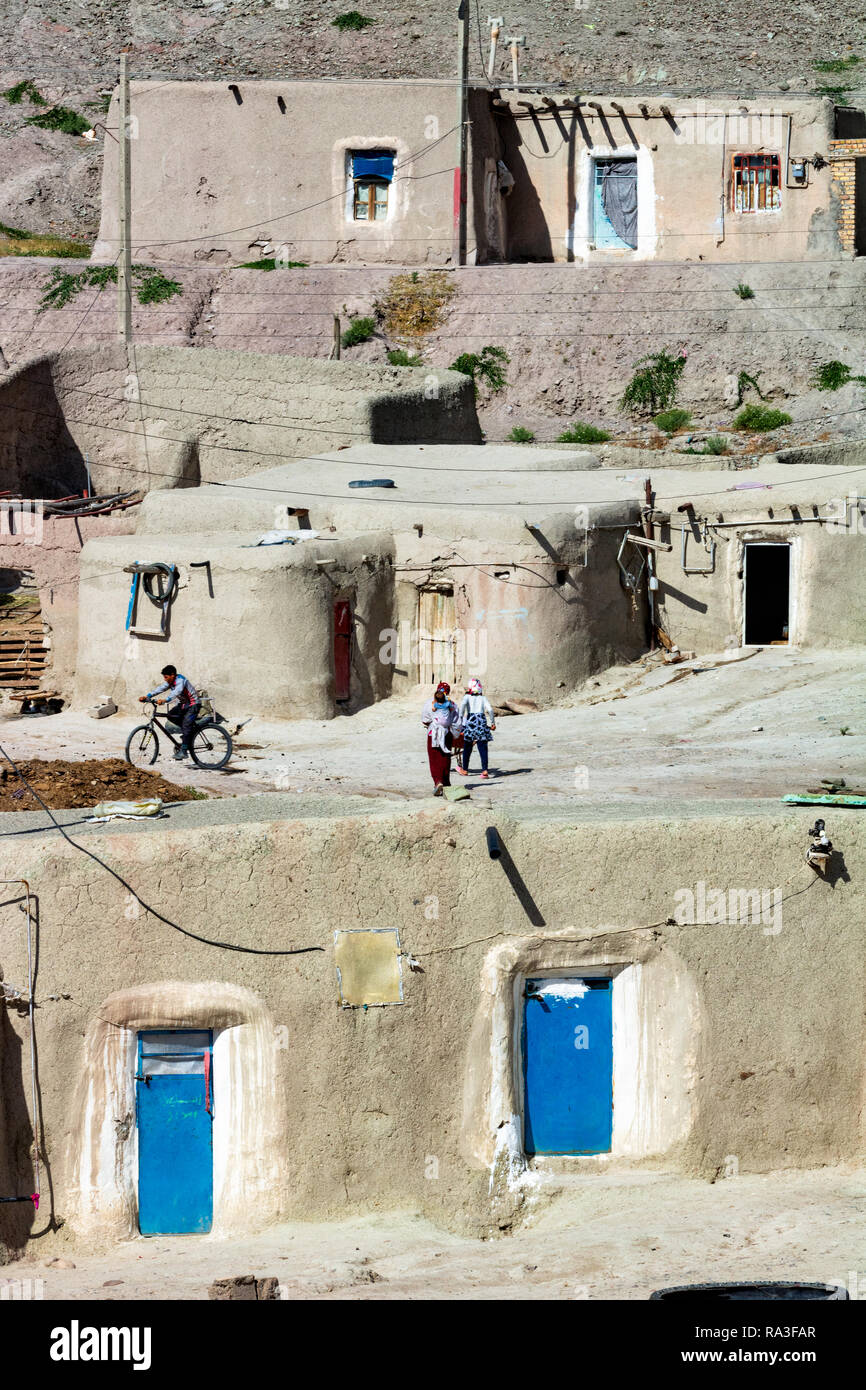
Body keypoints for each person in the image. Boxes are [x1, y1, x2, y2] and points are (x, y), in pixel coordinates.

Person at [140, 664, 201, 760]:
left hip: (193, 705)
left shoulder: (180, 680)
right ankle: (187, 734)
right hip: (184, 704)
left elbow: (176, 692)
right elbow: (160, 688)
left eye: (166, 677)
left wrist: (165, 700)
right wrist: (148, 696)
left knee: (186, 725)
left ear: (172, 675)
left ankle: (184, 752)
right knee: (171, 715)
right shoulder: (170, 681)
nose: (165, 679)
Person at [421, 681, 462, 796]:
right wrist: (455, 734)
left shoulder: (430, 703)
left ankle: (438, 782)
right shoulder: (452, 704)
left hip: (433, 733)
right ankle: (446, 782)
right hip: (446, 733)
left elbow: (424, 719)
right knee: (445, 757)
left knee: (434, 757)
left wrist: (430, 722)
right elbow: (457, 722)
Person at [457, 677, 495, 778]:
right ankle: (485, 770)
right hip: (481, 721)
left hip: (471, 722)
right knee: (483, 747)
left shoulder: (467, 698)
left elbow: (461, 710)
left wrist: (461, 724)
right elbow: (490, 710)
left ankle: (465, 770)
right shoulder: (483, 698)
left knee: (467, 747)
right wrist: (492, 723)